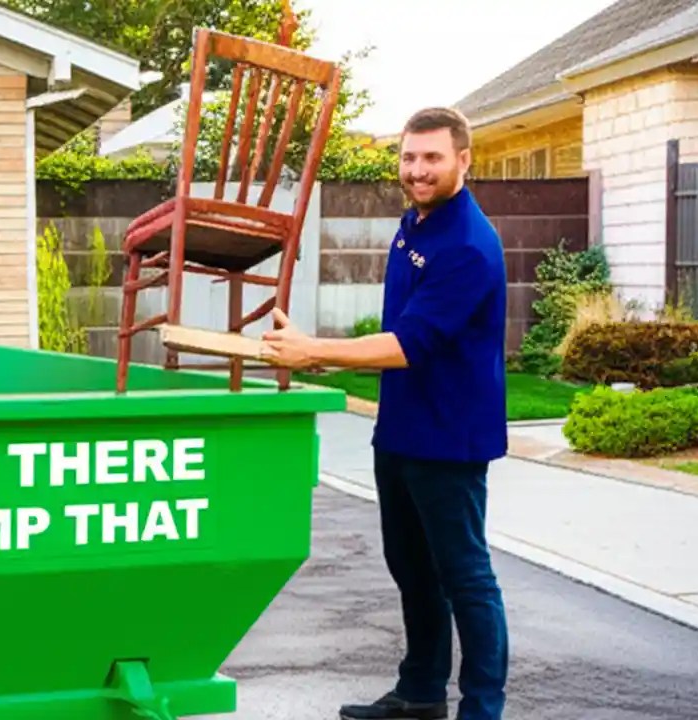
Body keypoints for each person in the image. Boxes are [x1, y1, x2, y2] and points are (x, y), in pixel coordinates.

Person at [259, 106, 509, 720]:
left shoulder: (468, 247)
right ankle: (421, 692)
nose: (417, 170)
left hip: (449, 439)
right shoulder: (414, 224)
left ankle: (482, 709)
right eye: (409, 157)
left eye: (432, 158)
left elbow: (409, 342)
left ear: (463, 160)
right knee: (412, 571)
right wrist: (321, 352)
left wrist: (315, 350)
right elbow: (397, 334)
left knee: (465, 578)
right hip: (400, 429)